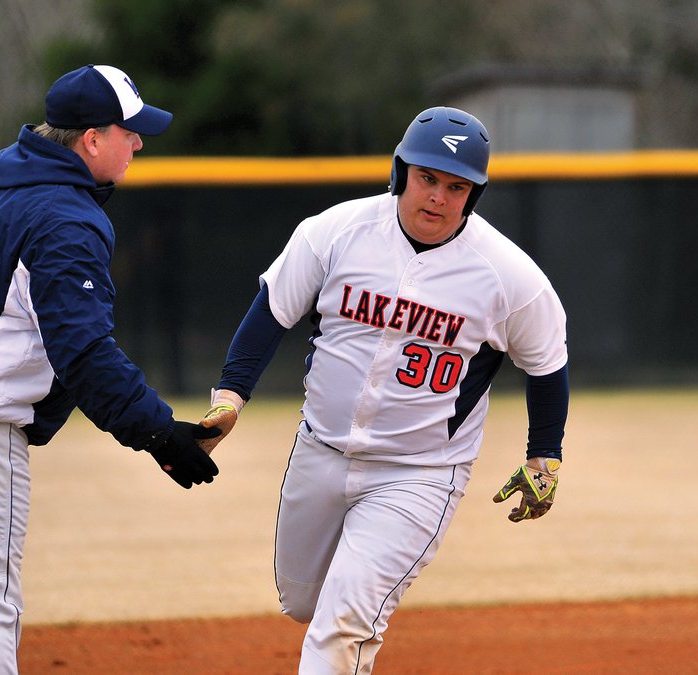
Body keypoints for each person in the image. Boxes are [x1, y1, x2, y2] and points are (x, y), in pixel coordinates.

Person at [199, 106, 569, 673]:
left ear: (474, 194)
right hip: (319, 450)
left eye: (456, 186)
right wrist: (230, 395)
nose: (438, 197)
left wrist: (545, 456)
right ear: (400, 172)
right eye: (426, 178)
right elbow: (270, 312)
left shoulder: (506, 274)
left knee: (342, 621)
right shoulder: (337, 231)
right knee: (305, 603)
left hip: (420, 472)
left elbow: (547, 364)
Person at [0, 64, 220, 674]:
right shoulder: (66, 217)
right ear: (93, 139)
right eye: (130, 132)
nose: (139, 143)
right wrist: (157, 433)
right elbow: (83, 351)